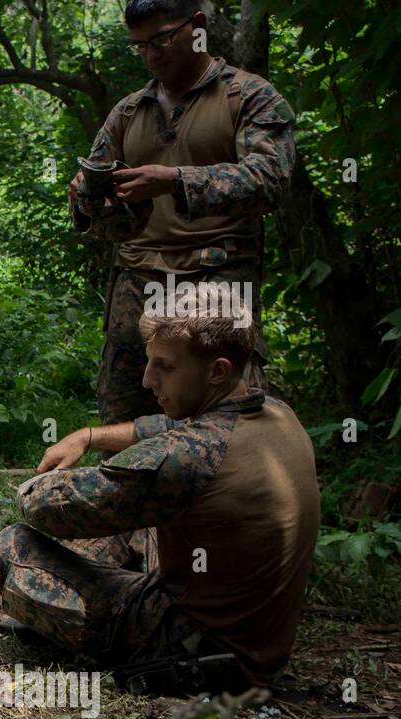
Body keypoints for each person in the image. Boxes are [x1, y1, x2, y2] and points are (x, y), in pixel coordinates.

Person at [0, 293, 319, 693]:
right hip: (254, 639)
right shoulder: (277, 414)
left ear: (217, 372)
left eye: (165, 367)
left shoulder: (187, 458)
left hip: (190, 649)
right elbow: (163, 426)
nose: (147, 379)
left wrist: (45, 482)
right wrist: (88, 435)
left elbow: (42, 507)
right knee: (137, 527)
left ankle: (90, 624)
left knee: (12, 545)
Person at [69, 0, 296, 425]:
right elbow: (96, 208)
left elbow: (270, 179)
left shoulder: (248, 96)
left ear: (197, 26)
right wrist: (87, 196)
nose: (152, 54)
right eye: (140, 46)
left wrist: (176, 180)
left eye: (162, 39)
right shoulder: (129, 111)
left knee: (229, 424)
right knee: (126, 424)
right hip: (137, 283)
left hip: (218, 281)